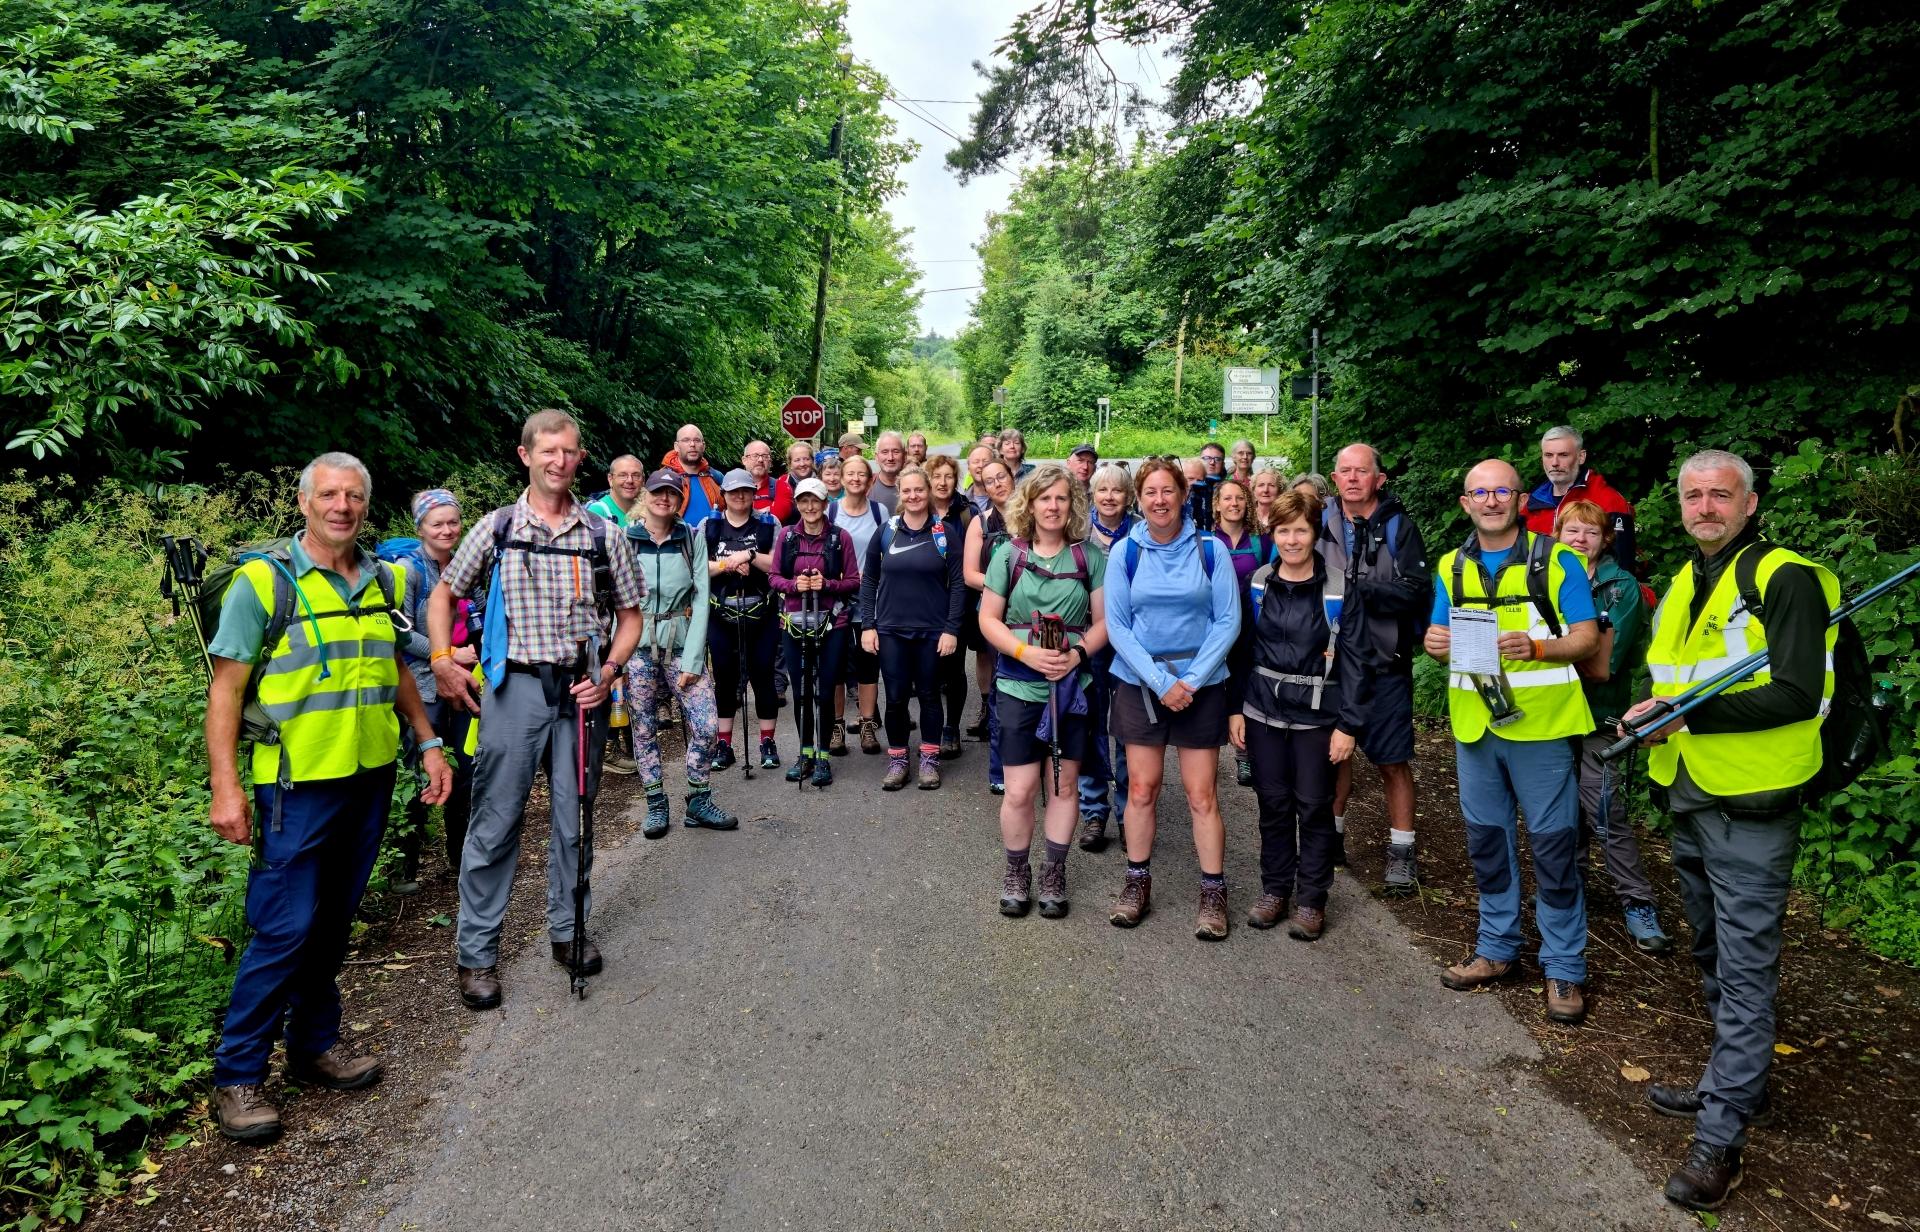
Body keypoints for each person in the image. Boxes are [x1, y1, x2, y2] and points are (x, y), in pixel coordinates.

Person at [205, 453, 452, 1143]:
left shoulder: (381, 580)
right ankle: (237, 1076)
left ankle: (314, 1045)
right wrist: (227, 788)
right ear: (306, 502)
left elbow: (393, 667)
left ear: (366, 507)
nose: (341, 506)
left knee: (334, 922)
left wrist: (428, 741)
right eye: (329, 495)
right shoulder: (265, 583)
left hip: (368, 777)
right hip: (293, 784)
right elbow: (225, 690)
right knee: (284, 928)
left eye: (353, 496)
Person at [1621, 450, 1837, 1212]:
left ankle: (1722, 1139)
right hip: (1691, 789)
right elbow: (1677, 678)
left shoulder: (1785, 578)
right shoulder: (1687, 580)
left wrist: (1690, 713)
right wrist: (1654, 707)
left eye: (1721, 494)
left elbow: (1797, 692)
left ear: (1750, 503)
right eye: (1693, 494)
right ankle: (1737, 1086)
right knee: (1712, 950)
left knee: (1745, 972)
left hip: (1755, 800)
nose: (1705, 505)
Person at [430, 412, 644, 1013]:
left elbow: (630, 616)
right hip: (512, 690)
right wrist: (444, 659)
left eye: (569, 452)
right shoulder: (496, 528)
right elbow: (445, 593)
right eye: (547, 451)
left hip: (582, 693)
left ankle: (567, 931)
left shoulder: (603, 535)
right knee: (495, 822)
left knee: (575, 819)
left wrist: (608, 673)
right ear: (525, 455)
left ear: (580, 460)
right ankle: (477, 955)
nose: (558, 461)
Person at [1424, 458, 1599, 1025]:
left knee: (1552, 849)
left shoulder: (1558, 560)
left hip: (1541, 730)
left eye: (1502, 490)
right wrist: (1433, 642)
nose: (1491, 500)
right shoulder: (1450, 565)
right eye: (1480, 492)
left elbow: (1587, 640)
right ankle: (1497, 951)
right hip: (1475, 726)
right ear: (1465, 503)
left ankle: (1565, 966)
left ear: (1521, 500)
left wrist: (1541, 649)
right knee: (1488, 845)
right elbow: (1439, 637)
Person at [1103, 459, 1242, 939]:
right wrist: (1161, 682)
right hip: (1141, 684)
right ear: (1139, 499)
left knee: (1202, 795)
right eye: (1150, 492)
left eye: (1168, 491)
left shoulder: (1211, 550)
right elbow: (1117, 626)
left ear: (1184, 495)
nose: (1159, 500)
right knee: (1141, 789)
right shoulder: (1124, 553)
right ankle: (1136, 882)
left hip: (1200, 685)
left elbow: (1228, 620)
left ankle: (1213, 892)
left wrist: (1193, 680)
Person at [1230, 488, 1370, 940]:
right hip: (1264, 711)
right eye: (1283, 530)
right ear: (1273, 533)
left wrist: (1348, 724)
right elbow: (1240, 650)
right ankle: (1274, 890)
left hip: (1318, 717)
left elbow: (1356, 660)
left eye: (1301, 530)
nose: (1292, 540)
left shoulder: (1339, 589)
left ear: (1315, 534)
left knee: (1314, 807)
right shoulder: (1257, 583)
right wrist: (1236, 709)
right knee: (1272, 804)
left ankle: (1311, 899)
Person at [978, 464, 1108, 918]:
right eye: (1044, 498)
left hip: (1071, 687)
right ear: (1029, 504)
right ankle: (1017, 870)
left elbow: (1105, 622)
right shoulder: (1007, 556)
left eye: (1061, 498)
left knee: (1063, 783)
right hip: (1018, 684)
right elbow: (988, 619)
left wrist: (1076, 656)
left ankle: (1054, 869)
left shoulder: (1089, 558)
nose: (1053, 507)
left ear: (1071, 505)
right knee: (1020, 789)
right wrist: (1023, 651)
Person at [1555, 499, 1671, 953]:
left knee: (1604, 809)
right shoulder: (1544, 579)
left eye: (1590, 531)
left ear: (1606, 540)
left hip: (1600, 718)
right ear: (1557, 535)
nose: (1579, 539)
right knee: (1561, 812)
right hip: (1552, 717)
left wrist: (1543, 655)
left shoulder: (1621, 587)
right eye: (1571, 531)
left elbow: (1605, 662)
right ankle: (1569, 893)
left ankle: (1638, 904)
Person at [1323, 443, 1431, 890]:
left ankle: (1402, 851)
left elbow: (1416, 590)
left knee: (1391, 761)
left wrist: (1363, 591)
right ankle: (1331, 842)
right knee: (1332, 759)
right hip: (1330, 667)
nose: (1352, 478)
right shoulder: (1318, 523)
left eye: (1361, 471)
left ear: (1378, 479)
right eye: (1344, 471)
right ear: (1334, 479)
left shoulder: (1399, 527)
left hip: (1384, 663)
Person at [623, 469, 738, 838]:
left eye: (672, 493)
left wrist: (692, 659)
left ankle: (698, 799)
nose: (665, 499)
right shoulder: (626, 538)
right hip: (637, 648)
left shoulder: (690, 537)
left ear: (679, 499)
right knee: (643, 729)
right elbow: (615, 602)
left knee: (706, 726)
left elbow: (703, 597)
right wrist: (615, 658)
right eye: (658, 492)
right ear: (647, 494)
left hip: (680, 644)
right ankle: (656, 804)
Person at [393, 489, 481, 892]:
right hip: (423, 686)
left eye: (453, 522)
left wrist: (475, 656)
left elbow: (484, 620)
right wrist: (446, 654)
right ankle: (404, 867)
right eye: (437, 523)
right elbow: (400, 632)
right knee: (418, 771)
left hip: (468, 682)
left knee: (466, 769)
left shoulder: (469, 566)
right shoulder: (407, 571)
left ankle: (460, 857)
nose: (447, 530)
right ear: (420, 528)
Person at [859, 465, 965, 790]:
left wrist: (952, 629)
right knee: (895, 698)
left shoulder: (944, 532)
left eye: (919, 490)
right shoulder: (887, 531)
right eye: (907, 491)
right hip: (891, 630)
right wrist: (868, 625)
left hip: (932, 632)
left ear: (928, 491)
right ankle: (898, 759)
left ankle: (929, 760)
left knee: (931, 696)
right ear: (900, 494)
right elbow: (869, 580)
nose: (914, 496)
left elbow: (959, 584)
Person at [769, 478, 861, 787]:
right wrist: (796, 585)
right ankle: (804, 752)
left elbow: (853, 580)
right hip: (794, 622)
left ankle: (823, 755)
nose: (810, 507)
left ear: (825, 504)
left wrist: (827, 584)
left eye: (815, 501)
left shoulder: (839, 538)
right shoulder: (787, 536)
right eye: (803, 501)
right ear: (797, 504)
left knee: (824, 690)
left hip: (832, 621)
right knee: (801, 690)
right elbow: (774, 577)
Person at [1078, 463, 1136, 850]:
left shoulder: (1141, 532)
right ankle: (1094, 810)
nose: (1110, 497)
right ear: (1093, 495)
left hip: (1133, 643)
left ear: (1128, 496)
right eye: (1103, 490)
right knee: (1091, 725)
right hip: (1090, 639)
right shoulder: (1078, 534)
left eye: (1117, 490)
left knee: (1130, 729)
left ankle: (1130, 812)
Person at [706, 469, 780, 772]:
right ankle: (724, 743)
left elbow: (778, 562)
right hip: (721, 614)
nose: (740, 496)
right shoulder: (709, 525)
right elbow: (699, 565)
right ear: (723, 495)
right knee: (724, 678)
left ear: (754, 493)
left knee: (763, 675)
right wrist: (728, 564)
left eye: (746, 491)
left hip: (761, 613)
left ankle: (767, 741)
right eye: (734, 491)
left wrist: (749, 556)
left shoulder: (768, 522)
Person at [1213, 476, 1275, 788]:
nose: (1234, 504)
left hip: (1254, 627)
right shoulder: (1206, 541)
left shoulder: (1262, 543)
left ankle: (1245, 755)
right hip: (1217, 626)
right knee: (1216, 689)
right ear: (1217, 504)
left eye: (1239, 498)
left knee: (1246, 686)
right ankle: (1207, 751)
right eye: (1227, 498)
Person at [963, 458, 1017, 790]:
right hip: (996, 614)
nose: (997, 483)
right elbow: (969, 574)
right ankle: (999, 771)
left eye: (1002, 477)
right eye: (989, 480)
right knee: (1001, 690)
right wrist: (1004, 588)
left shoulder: (1034, 515)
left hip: (1032, 614)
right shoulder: (979, 523)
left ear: (1013, 477)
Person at [829, 455, 888, 754]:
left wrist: (871, 572)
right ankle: (837, 725)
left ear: (870, 479)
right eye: (849, 474)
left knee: (868, 664)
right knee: (837, 665)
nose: (855, 479)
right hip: (837, 599)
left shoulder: (880, 512)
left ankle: (867, 725)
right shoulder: (831, 511)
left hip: (871, 598)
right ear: (841, 478)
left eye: (861, 474)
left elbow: (888, 554)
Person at [1525, 425, 1637, 573]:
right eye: (1548, 455)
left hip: (1593, 591)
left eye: (1563, 455)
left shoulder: (1608, 500)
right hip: (1542, 590)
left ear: (1581, 457)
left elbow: (1623, 567)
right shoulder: (1531, 504)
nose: (1555, 462)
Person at [927, 453, 974, 757]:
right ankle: (931, 726)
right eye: (937, 476)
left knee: (954, 668)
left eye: (949, 476)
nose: (943, 482)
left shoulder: (967, 514)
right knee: (927, 669)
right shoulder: (918, 510)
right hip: (925, 601)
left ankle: (951, 728)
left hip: (958, 600)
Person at [660, 423, 723, 527]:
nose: (692, 444)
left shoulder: (716, 477)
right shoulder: (664, 478)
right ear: (676, 446)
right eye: (686, 440)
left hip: (713, 540)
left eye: (697, 440)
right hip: (676, 540)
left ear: (703, 446)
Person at [586, 454, 645, 529]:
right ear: (610, 479)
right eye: (622, 475)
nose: (630, 480)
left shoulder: (647, 512)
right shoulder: (597, 511)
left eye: (636, 475)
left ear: (643, 480)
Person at [772, 439, 816, 525]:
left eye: (806, 459)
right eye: (797, 460)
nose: (802, 464)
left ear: (812, 461)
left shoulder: (822, 482)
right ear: (790, 464)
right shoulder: (781, 484)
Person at [740, 439, 780, 519]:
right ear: (744, 460)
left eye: (765, 456)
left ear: (770, 462)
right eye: (755, 456)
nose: (760, 460)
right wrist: (767, 511)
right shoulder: (733, 487)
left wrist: (745, 516)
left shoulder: (781, 486)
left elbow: (779, 514)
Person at [872, 430, 906, 505]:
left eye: (896, 451)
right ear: (876, 457)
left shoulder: (916, 487)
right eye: (885, 452)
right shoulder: (865, 487)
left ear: (905, 456)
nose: (890, 458)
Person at [1182, 457, 1216, 532]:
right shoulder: (1175, 499)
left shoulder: (1207, 497)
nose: (1195, 483)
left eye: (1199, 480)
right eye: (1190, 479)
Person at [964, 441, 996, 511]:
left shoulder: (1007, 499)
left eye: (986, 461)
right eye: (976, 462)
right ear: (968, 469)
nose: (981, 465)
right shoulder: (961, 502)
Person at [1251, 467, 1282, 533]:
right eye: (1261, 485)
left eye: (1271, 485)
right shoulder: (1247, 516)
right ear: (1254, 490)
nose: (1265, 490)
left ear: (1279, 491)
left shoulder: (1284, 517)